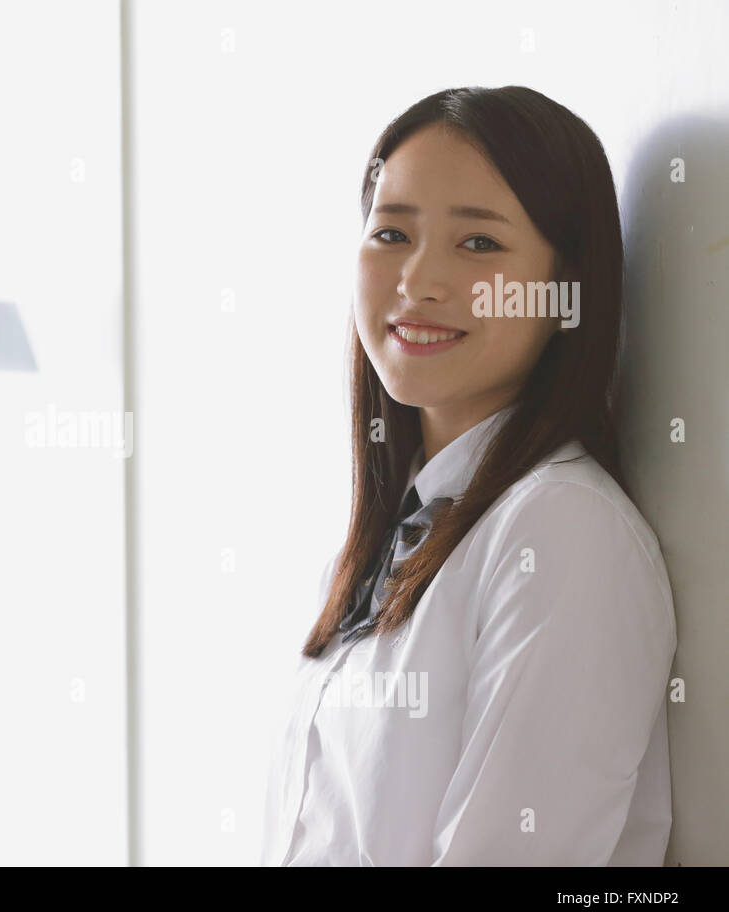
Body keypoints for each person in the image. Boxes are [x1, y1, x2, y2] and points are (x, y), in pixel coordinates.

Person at [260, 86, 677, 866]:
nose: (419, 280)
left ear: (565, 292)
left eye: (478, 245)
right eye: (391, 232)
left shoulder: (561, 535)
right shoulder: (380, 546)